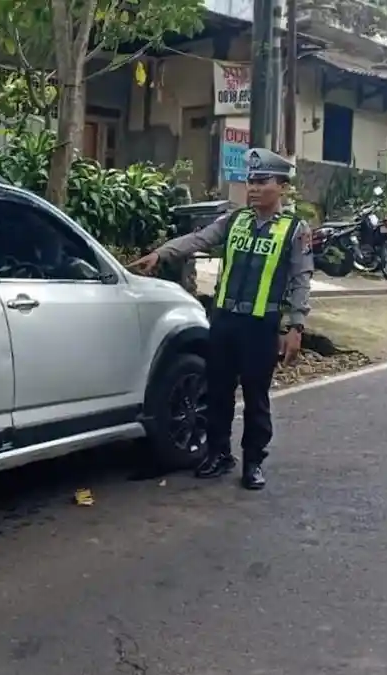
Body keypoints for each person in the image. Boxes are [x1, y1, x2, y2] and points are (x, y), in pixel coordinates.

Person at [130, 148, 313, 490]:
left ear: (283, 187)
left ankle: (254, 461)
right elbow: (198, 239)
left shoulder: (294, 230)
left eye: (262, 181)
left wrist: (295, 326)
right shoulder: (234, 221)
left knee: (257, 396)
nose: (254, 188)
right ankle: (218, 453)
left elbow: (302, 279)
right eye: (250, 181)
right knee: (217, 392)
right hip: (225, 321)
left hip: (261, 326)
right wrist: (162, 252)